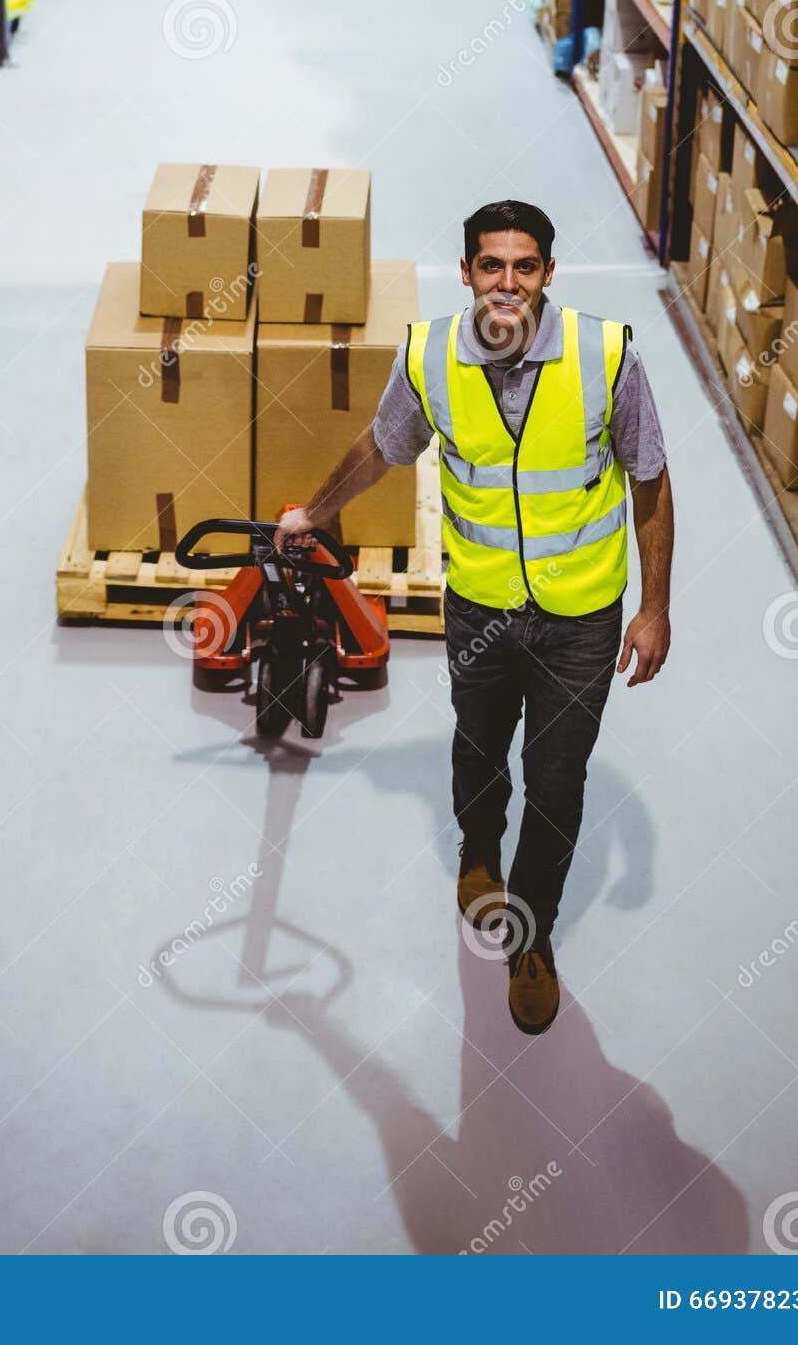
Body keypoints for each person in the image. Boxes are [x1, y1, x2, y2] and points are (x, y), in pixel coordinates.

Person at [276, 200, 673, 1035]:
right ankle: (478, 852)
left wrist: (656, 607)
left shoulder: (607, 356)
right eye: (490, 266)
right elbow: (382, 447)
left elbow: (650, 476)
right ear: (465, 273)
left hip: (580, 617)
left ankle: (531, 937)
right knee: (479, 747)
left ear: (549, 275)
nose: (507, 283)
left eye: (524, 267)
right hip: (483, 609)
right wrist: (314, 514)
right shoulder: (431, 357)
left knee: (559, 780)